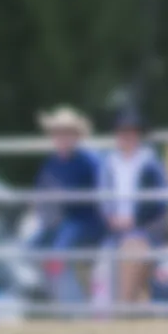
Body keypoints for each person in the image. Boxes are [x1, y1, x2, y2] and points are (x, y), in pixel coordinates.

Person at [31, 106, 106, 300]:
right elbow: (42, 195)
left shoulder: (90, 161)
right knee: (30, 247)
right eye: (58, 132)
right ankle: (57, 299)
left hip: (87, 221)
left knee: (59, 253)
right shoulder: (52, 163)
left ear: (76, 136)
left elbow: (102, 197)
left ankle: (73, 309)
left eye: (67, 132)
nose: (62, 137)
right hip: (61, 223)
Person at [97, 109, 168, 303]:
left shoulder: (150, 163)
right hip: (113, 229)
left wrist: (134, 221)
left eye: (130, 132)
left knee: (132, 252)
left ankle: (124, 306)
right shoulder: (109, 163)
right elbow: (102, 198)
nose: (126, 137)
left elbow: (160, 202)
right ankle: (124, 306)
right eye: (122, 132)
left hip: (144, 229)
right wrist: (111, 218)